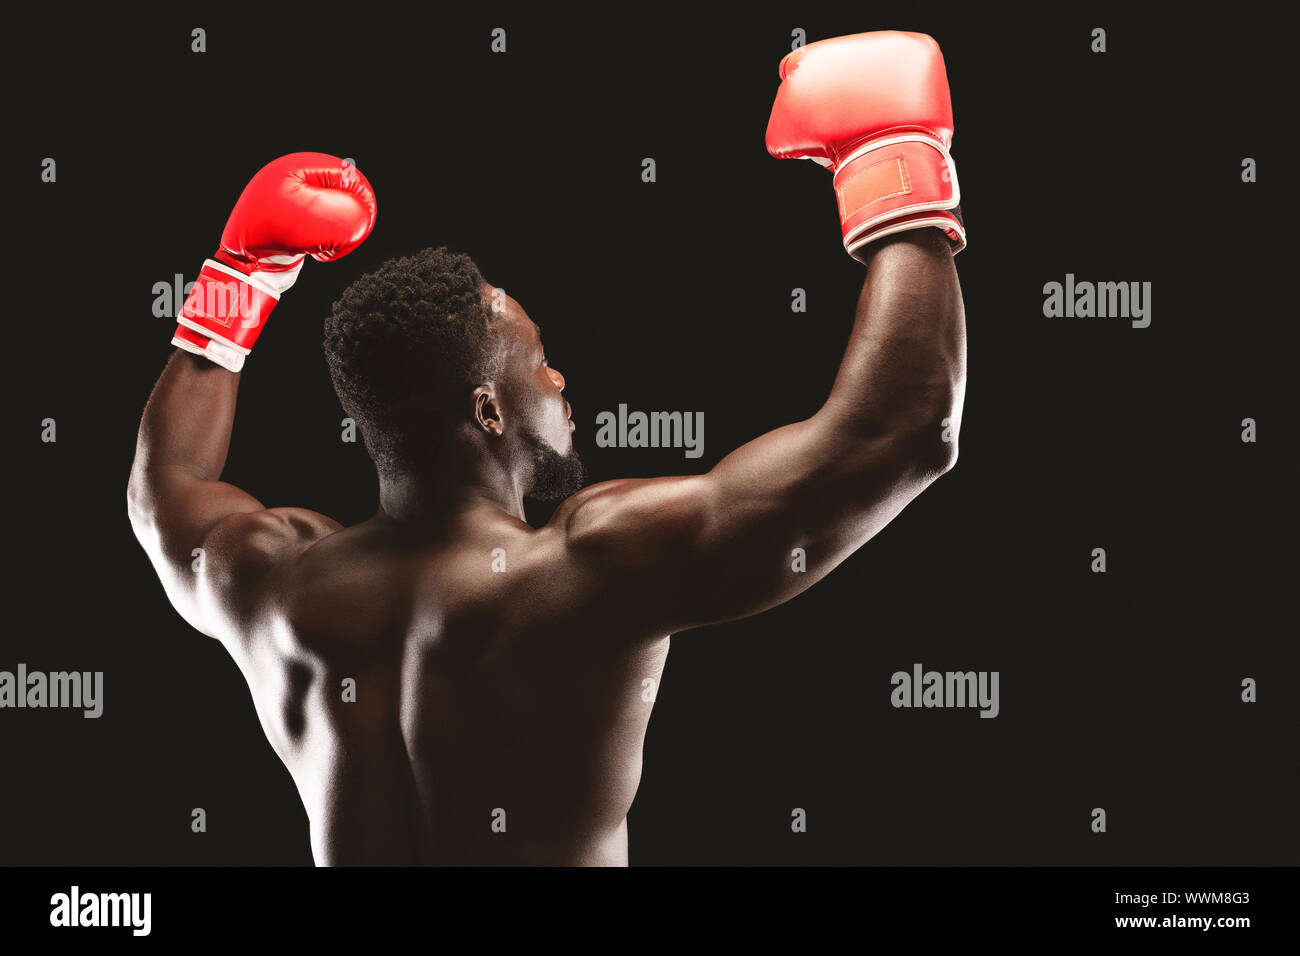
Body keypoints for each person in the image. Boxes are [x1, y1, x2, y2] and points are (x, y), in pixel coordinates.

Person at [128, 31, 967, 865]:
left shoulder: (273, 582)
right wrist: (893, 170)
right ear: (488, 410)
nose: (561, 378)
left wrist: (241, 280)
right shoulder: (588, 568)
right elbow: (903, 430)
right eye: (540, 360)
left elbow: (165, 492)